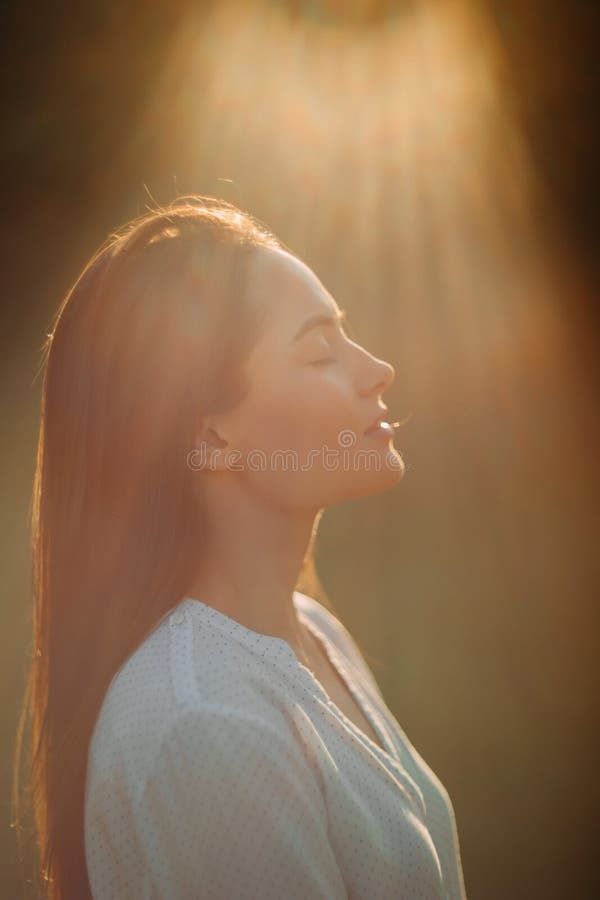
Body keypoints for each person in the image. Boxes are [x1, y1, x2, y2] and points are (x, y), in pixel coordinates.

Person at [13, 196, 468, 899]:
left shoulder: (311, 631)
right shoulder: (205, 722)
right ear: (211, 438)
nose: (378, 368)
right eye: (321, 350)